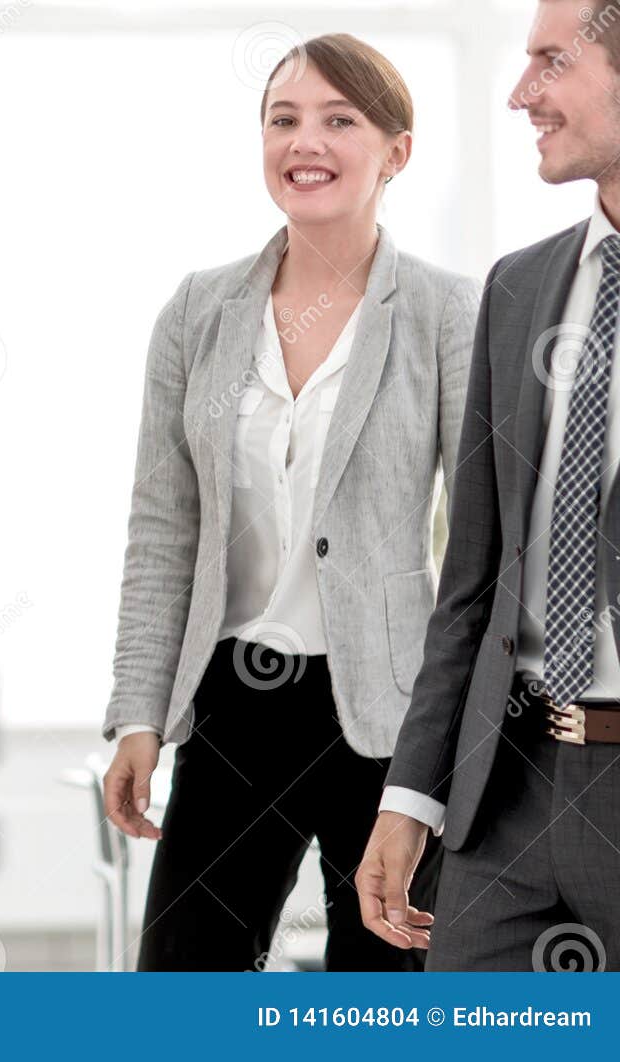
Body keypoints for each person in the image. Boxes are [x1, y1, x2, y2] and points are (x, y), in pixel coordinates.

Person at [103, 34, 479, 970]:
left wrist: (465, 747)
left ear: (396, 152)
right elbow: (164, 530)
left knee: (382, 1004)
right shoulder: (199, 310)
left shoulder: (447, 314)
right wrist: (140, 714)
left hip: (389, 721)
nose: (304, 142)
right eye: (283, 119)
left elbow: (481, 543)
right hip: (235, 703)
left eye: (338, 120)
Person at [360, 0, 620, 971]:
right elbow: (469, 576)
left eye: (551, 64)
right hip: (504, 792)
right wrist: (409, 794)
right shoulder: (517, 288)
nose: (522, 95)